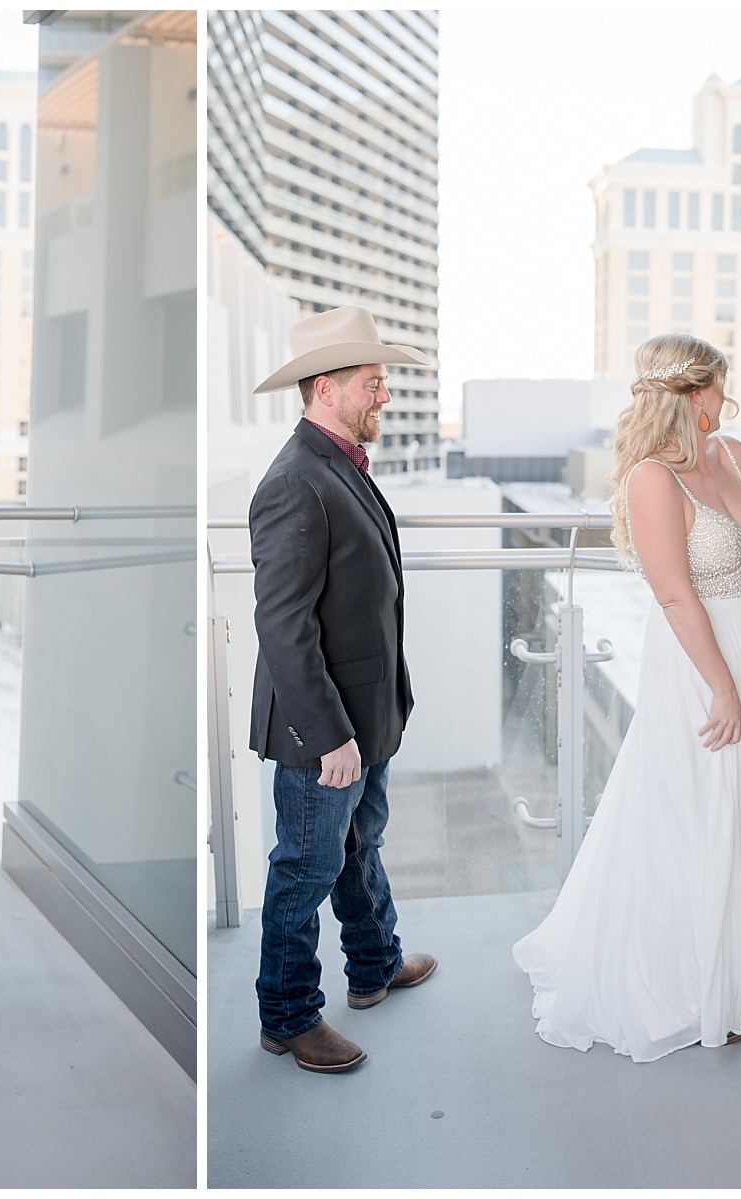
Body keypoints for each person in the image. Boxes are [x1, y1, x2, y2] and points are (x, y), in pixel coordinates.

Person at [512, 332, 741, 1061]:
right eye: (721, 387)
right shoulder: (651, 480)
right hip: (699, 665)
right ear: (695, 397)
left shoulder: (732, 455)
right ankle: (697, 983)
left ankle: (740, 969)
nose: (729, 400)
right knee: (700, 808)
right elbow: (672, 592)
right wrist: (723, 683)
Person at [246, 305, 439, 1073]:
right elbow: (284, 626)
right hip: (322, 730)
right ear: (326, 388)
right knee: (306, 868)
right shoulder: (294, 481)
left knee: (361, 847)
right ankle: (288, 1016)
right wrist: (329, 735)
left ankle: (374, 963)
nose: (384, 394)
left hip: (369, 715)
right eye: (373, 382)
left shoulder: (339, 464)